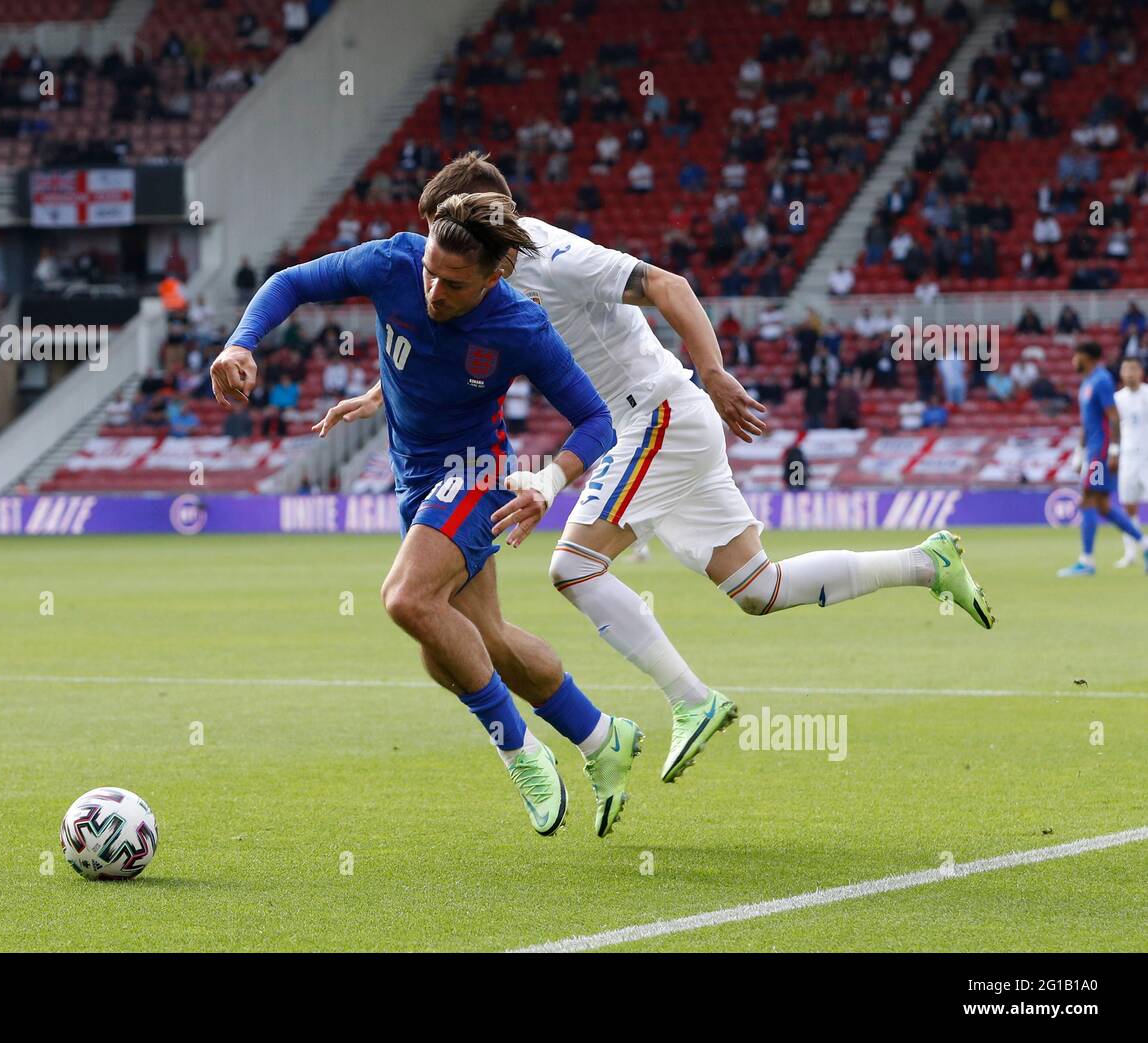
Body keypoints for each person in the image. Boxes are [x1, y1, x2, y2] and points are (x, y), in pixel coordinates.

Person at [331, 153, 999, 790]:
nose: (432, 257)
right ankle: (926, 561)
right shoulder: (481, 282)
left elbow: (665, 284)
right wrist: (381, 393)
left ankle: (691, 700)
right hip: (664, 424)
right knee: (758, 588)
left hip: (653, 417)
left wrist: (713, 373)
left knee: (573, 567)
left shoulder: (552, 257)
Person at [214, 193, 633, 839]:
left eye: (454, 282)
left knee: (407, 598)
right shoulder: (394, 262)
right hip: (415, 478)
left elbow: (597, 420)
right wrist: (241, 344)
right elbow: (291, 282)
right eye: (431, 271)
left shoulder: (519, 325)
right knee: (466, 644)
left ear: (496, 275)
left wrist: (549, 482)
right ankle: (602, 736)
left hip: (477, 469)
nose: (434, 289)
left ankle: (521, 751)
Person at [1058, 342, 1148, 576]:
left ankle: (1087, 561)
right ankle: (1144, 543)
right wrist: (1079, 452)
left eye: (1076, 355)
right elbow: (1087, 423)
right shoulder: (1088, 382)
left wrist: (1114, 450)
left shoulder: (1102, 380)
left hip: (1100, 452)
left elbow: (1114, 418)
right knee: (1103, 506)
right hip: (1092, 451)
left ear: (1086, 357)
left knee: (1087, 499)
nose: (1073, 361)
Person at [1112, 355, 1148, 569]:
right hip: (1128, 458)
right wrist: (1114, 452)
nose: (1130, 374)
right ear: (1121, 373)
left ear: (1141, 372)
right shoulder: (1117, 399)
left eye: (1133, 369)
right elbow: (1114, 428)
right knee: (1128, 506)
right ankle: (1131, 552)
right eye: (1126, 369)